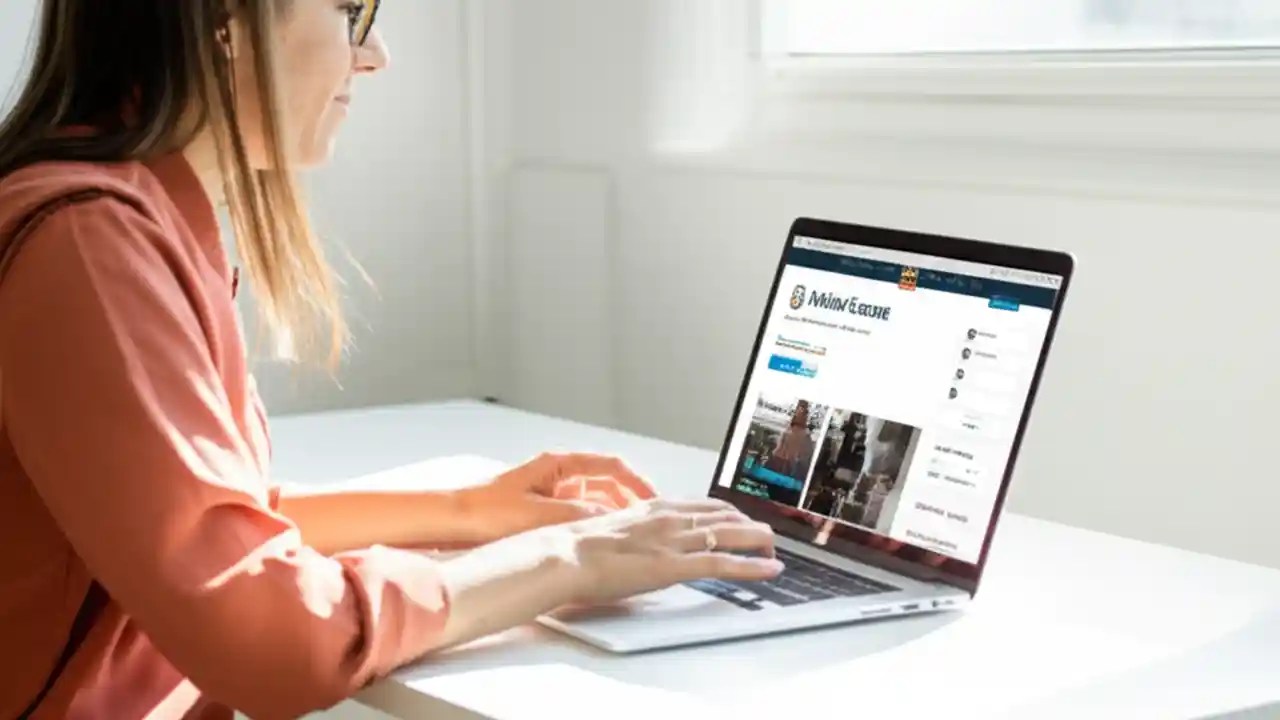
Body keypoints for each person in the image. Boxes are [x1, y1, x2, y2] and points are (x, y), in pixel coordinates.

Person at [0, 3, 781, 719]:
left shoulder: (121, 218)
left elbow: (207, 525)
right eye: (349, 11)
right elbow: (273, 640)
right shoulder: (87, 243)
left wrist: (468, 512)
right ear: (225, 21)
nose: (373, 55)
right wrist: (568, 556)